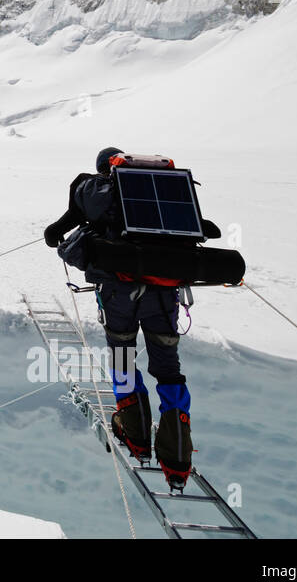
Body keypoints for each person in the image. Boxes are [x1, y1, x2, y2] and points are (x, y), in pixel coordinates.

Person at [43, 146, 194, 488]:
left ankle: (135, 433)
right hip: (163, 292)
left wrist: (55, 234)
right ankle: (177, 456)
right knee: (169, 369)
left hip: (119, 292)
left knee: (123, 357)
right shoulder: (165, 195)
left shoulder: (97, 195)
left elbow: (62, 227)